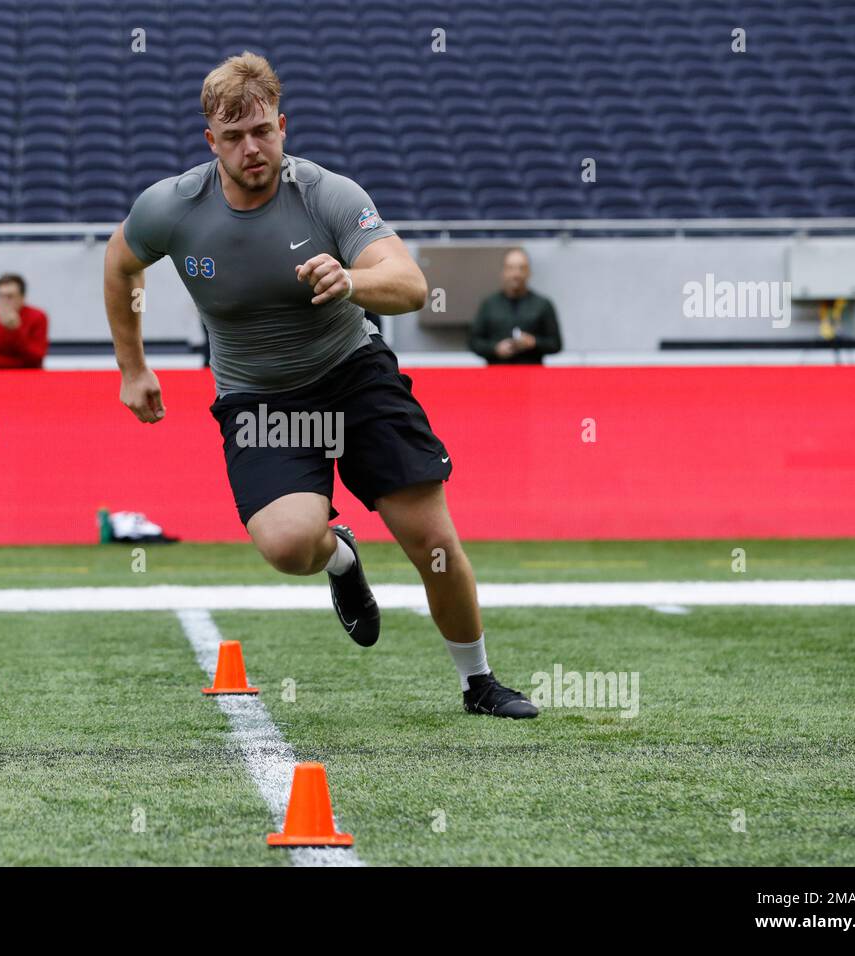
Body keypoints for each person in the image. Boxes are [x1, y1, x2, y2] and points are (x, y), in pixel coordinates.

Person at [102, 52, 537, 719]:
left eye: (263, 131)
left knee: (435, 546)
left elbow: (413, 284)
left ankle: (479, 682)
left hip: (353, 378)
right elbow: (121, 261)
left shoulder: (328, 193)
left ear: (283, 125)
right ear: (210, 142)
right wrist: (132, 364)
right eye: (235, 136)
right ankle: (342, 561)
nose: (253, 148)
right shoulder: (174, 208)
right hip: (261, 398)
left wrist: (351, 279)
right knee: (287, 545)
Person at [468, 247, 562, 364]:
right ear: (503, 272)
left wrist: (533, 342)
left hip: (531, 375)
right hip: (496, 375)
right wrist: (495, 348)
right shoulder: (489, 304)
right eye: (511, 268)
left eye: (521, 268)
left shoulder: (543, 305)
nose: (516, 274)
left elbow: (556, 344)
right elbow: (474, 342)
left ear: (529, 272)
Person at [0, 273, 49, 369]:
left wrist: (16, 331)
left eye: (10, 296)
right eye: (0, 296)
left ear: (22, 298)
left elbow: (36, 357)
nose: (4, 301)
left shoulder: (38, 317)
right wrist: (21, 364)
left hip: (29, 377)